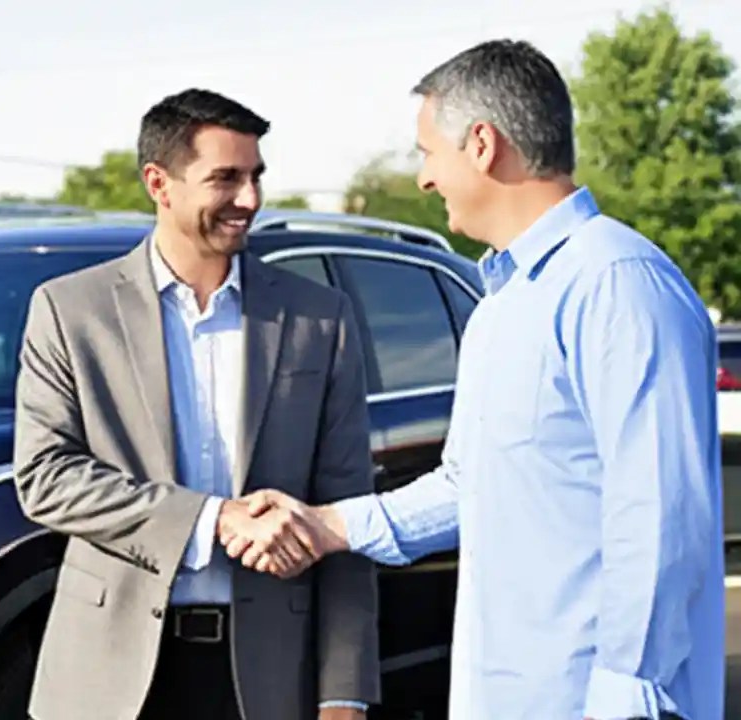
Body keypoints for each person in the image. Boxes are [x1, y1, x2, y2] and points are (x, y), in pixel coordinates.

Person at [231, 39, 725, 720]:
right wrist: (326, 525)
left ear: (483, 144)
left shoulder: (616, 284)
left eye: (429, 152)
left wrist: (624, 696)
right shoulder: (502, 303)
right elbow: (470, 487)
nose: (426, 178)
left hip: (594, 702)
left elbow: (660, 515)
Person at [12, 88, 379, 720]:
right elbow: (46, 479)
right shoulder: (71, 311)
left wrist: (344, 692)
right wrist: (215, 520)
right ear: (160, 183)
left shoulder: (319, 317)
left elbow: (347, 511)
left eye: (256, 176)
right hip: (109, 677)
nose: (251, 199)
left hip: (267, 676)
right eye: (226, 178)